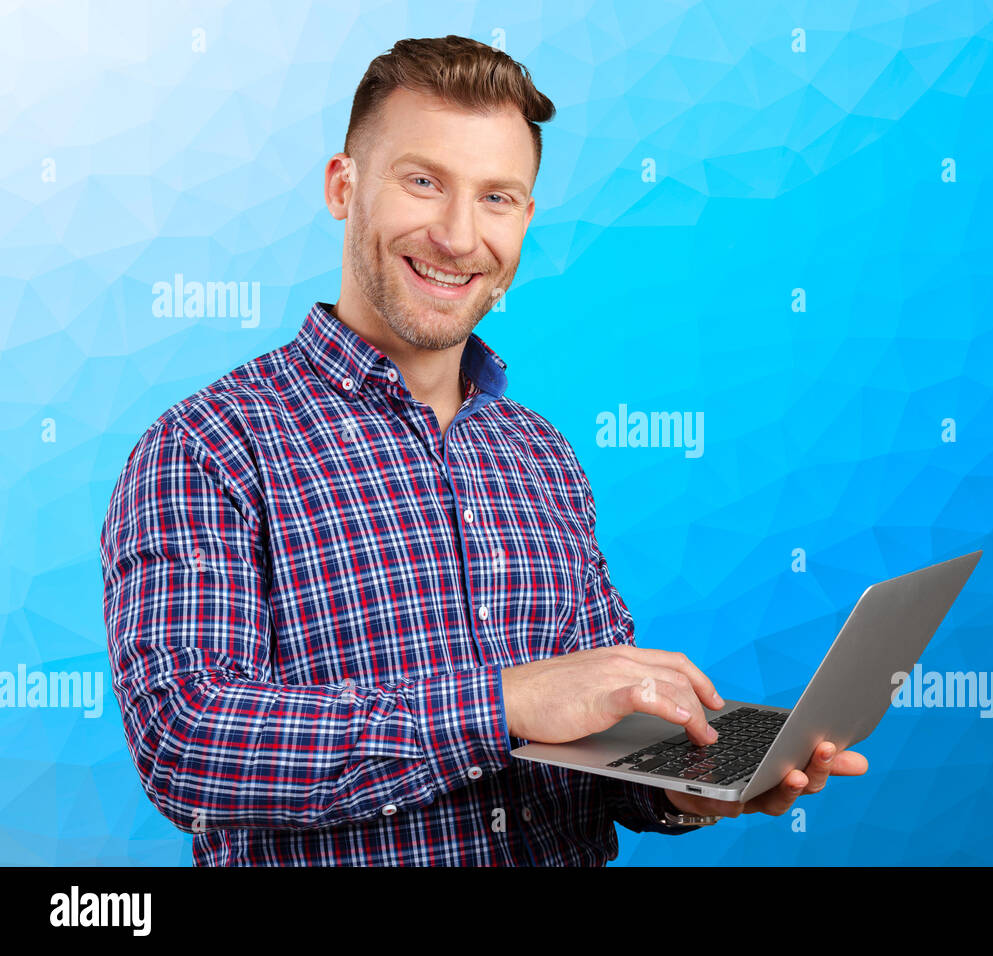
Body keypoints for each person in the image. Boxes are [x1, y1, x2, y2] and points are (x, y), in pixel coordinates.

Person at [100, 35, 867, 866]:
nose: (460, 237)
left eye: (498, 197)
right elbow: (187, 746)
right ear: (342, 187)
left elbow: (592, 746)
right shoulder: (207, 446)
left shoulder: (541, 456)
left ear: (526, 220)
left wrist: (697, 781)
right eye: (424, 182)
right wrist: (504, 704)